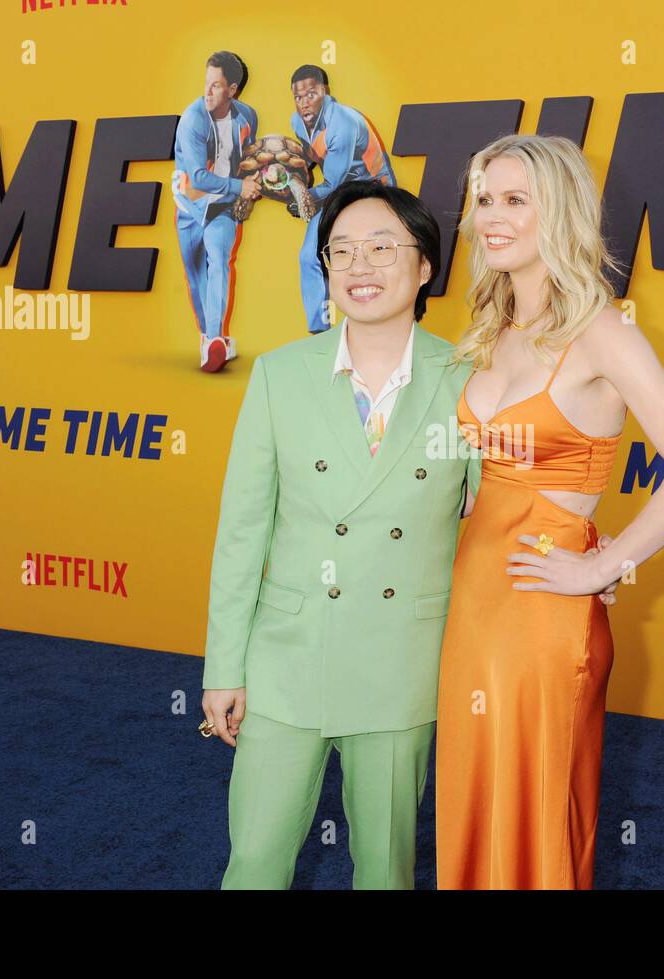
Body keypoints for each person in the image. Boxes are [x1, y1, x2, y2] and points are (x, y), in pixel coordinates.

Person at [435, 134, 664, 889]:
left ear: (558, 213)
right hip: (473, 598)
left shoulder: (602, 332)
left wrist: (606, 562)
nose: (490, 217)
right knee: (476, 796)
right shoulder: (488, 328)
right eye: (484, 200)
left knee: (537, 811)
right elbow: (487, 473)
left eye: (514, 200)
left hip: (544, 607)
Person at [199, 179, 479, 888]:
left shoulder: (471, 378)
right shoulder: (278, 374)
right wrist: (224, 667)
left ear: (424, 268)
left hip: (401, 662)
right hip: (286, 660)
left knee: (386, 868)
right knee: (256, 859)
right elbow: (241, 534)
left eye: (384, 247)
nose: (360, 266)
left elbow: (493, 523)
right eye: (342, 250)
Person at [288, 65, 396, 335]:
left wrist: (303, 197)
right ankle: (319, 331)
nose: (304, 103)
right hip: (336, 194)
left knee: (370, 259)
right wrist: (290, 175)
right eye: (298, 97)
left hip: (372, 193)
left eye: (311, 94)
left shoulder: (343, 123)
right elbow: (312, 158)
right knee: (309, 257)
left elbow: (333, 184)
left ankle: (383, 324)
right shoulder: (296, 121)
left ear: (325, 91)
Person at [172, 51, 263, 372]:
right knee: (196, 275)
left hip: (222, 208)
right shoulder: (193, 119)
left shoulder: (247, 117)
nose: (207, 92)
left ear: (233, 90)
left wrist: (255, 183)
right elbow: (197, 177)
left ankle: (215, 338)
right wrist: (241, 188)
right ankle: (207, 337)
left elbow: (249, 156)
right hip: (189, 204)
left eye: (216, 86)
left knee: (219, 262)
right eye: (206, 84)